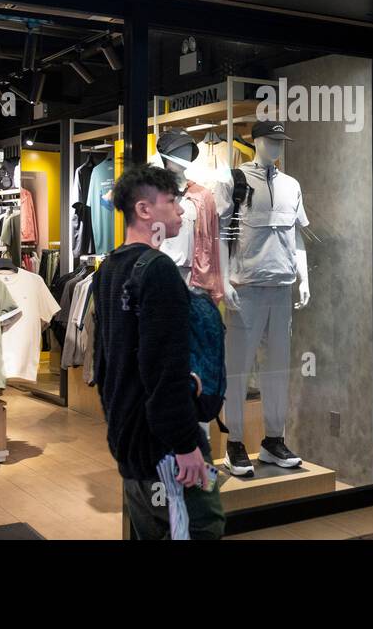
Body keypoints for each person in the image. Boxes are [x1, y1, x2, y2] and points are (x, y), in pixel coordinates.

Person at [92, 164, 224, 540]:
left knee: (151, 527)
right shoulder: (159, 270)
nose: (181, 211)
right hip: (163, 445)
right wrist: (185, 444)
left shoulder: (110, 268)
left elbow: (105, 364)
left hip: (130, 440)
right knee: (200, 525)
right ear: (145, 211)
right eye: (171, 202)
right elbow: (164, 370)